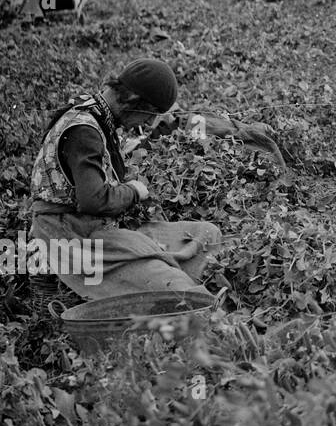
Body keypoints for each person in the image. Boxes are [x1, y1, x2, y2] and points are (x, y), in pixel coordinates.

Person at [27, 58, 221, 300]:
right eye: (150, 114)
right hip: (73, 235)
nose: (150, 123)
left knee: (207, 234)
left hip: (104, 227)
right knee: (176, 288)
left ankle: (151, 275)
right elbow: (94, 201)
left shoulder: (98, 114)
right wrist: (133, 191)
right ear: (131, 99)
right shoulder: (84, 131)